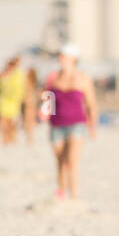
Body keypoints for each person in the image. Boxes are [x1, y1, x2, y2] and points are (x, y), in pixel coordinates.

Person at [45, 44, 97, 201]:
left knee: (72, 161)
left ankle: (74, 195)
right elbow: (47, 99)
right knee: (60, 161)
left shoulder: (83, 78)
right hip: (56, 124)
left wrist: (93, 126)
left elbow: (91, 104)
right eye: (60, 56)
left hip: (77, 124)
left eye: (64, 56)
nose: (61, 59)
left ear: (73, 59)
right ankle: (61, 191)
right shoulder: (53, 77)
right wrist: (44, 111)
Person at [0, 56, 28, 145]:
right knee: (4, 121)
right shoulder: (4, 74)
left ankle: (13, 139)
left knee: (12, 123)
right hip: (4, 100)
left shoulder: (19, 74)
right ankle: (6, 140)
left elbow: (22, 87)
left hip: (14, 101)